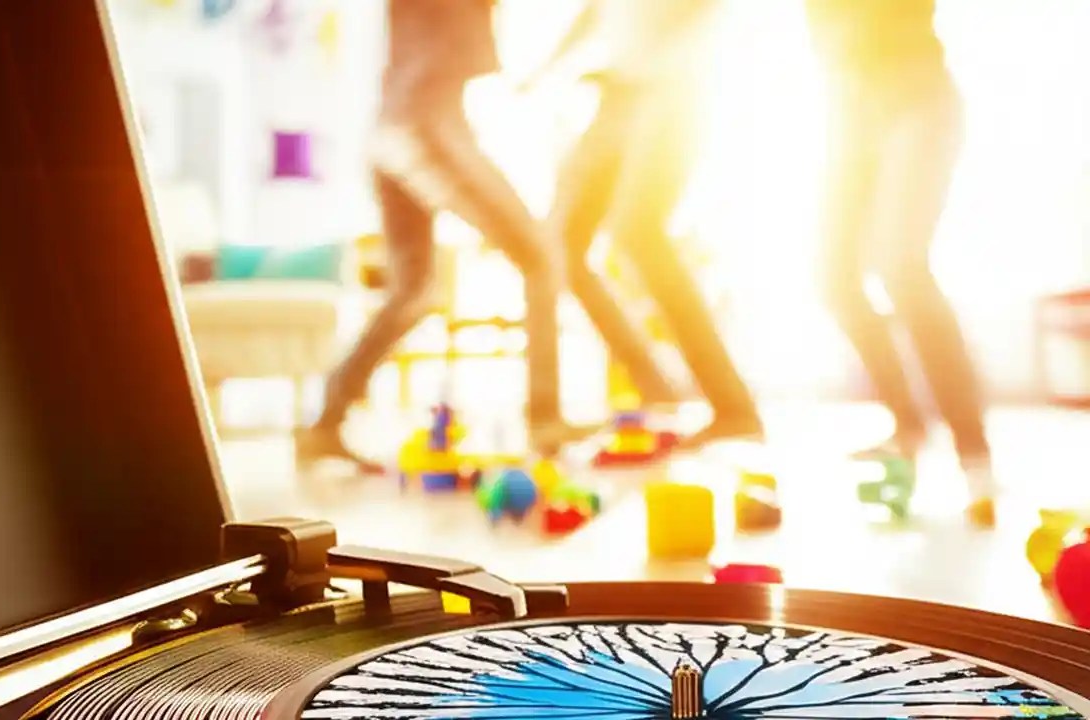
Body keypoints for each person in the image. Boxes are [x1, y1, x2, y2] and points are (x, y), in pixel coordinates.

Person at [296, 0, 588, 471]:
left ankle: (324, 426)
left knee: (414, 290)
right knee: (539, 256)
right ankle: (545, 420)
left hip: (391, 126)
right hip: (428, 123)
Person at [521, 0, 764, 447]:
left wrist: (660, 55)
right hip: (617, 93)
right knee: (559, 247)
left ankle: (733, 408)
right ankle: (656, 388)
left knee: (637, 232)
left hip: (675, 88)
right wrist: (545, 70)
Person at [805, 0, 997, 526]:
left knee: (901, 267)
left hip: (916, 97)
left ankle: (973, 450)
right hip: (850, 109)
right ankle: (907, 425)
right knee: (832, 277)